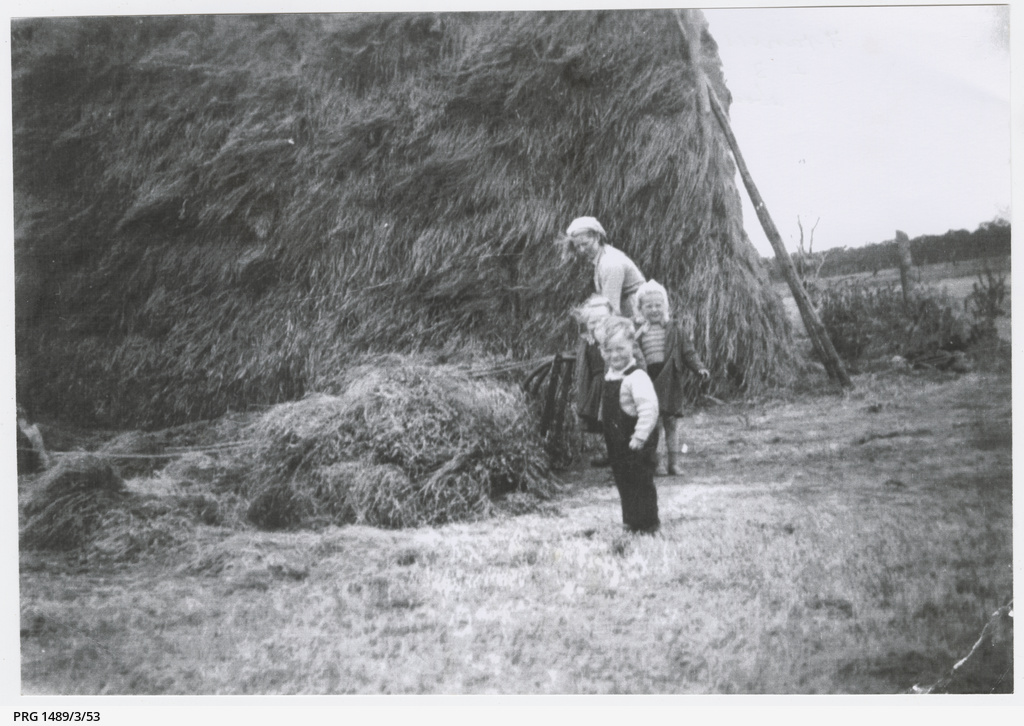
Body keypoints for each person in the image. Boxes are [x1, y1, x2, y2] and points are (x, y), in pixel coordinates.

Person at [634, 280, 710, 476]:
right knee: (654, 423)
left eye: (658, 305)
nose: (654, 309)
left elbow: (689, 353)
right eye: (648, 306)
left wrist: (699, 368)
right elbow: (632, 355)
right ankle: (657, 464)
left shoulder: (675, 329)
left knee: (672, 423)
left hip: (670, 380)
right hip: (650, 381)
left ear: (665, 306)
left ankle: (674, 463)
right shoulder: (638, 333)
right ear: (640, 309)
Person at [599, 316, 660, 533]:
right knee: (624, 482)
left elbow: (649, 409)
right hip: (619, 445)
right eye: (609, 350)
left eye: (620, 348)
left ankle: (649, 524)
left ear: (633, 347)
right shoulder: (610, 376)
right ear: (603, 352)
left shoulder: (637, 377)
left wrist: (640, 436)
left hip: (638, 443)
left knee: (640, 482)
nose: (615, 355)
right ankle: (632, 522)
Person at [564, 217, 645, 321]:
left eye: (585, 244)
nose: (582, 250)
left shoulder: (610, 263)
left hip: (637, 315)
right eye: (578, 246)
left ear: (597, 237)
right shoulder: (601, 258)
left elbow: (610, 309)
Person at [572, 295, 614, 466]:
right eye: (593, 322)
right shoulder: (586, 342)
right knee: (600, 421)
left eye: (602, 321)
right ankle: (606, 452)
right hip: (597, 385)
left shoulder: (614, 340)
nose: (598, 326)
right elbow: (583, 367)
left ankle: (616, 453)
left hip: (611, 383)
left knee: (612, 418)